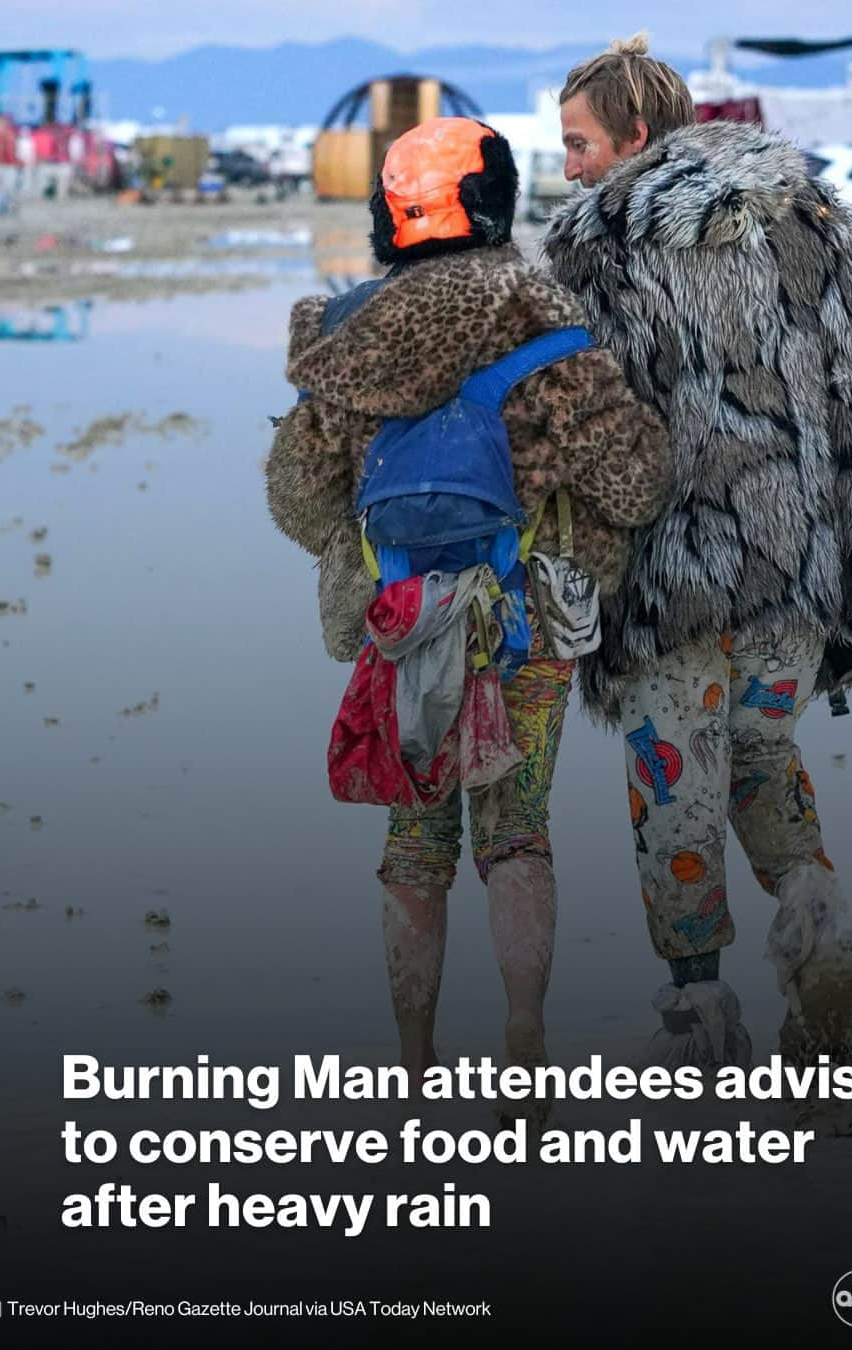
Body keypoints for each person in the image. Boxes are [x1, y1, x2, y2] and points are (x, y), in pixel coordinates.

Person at [266, 117, 671, 1097]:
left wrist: (377, 553)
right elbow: (635, 484)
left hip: (403, 624)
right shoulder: (546, 322)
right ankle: (524, 1038)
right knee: (518, 826)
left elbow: (295, 501)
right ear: (495, 202)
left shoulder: (345, 333)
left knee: (413, 840)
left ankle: (413, 1066)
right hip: (522, 621)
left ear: (389, 214)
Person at [543, 36, 852, 1064]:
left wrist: (573, 563)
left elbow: (591, 432)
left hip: (678, 575)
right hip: (806, 566)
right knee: (764, 758)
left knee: (676, 784)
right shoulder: (813, 215)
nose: (567, 165)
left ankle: (698, 1016)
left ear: (635, 136)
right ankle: (820, 925)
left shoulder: (602, 242)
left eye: (576, 143)